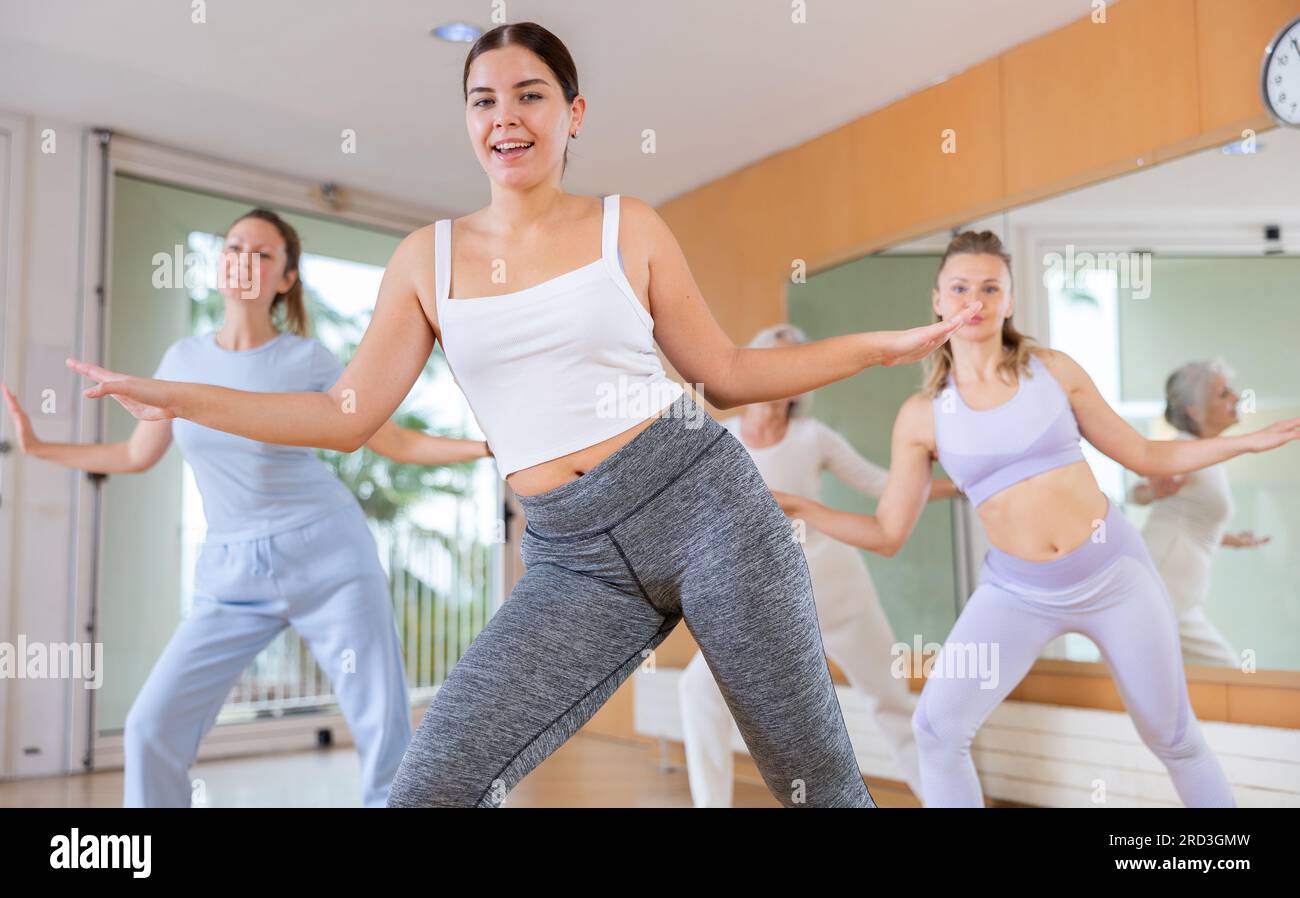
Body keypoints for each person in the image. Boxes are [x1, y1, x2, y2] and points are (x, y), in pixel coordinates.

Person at [65, 23, 980, 808]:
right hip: (574, 555)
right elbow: (345, 415)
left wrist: (876, 348)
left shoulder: (630, 226)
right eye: (482, 100)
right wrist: (174, 395)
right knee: (431, 785)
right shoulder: (430, 259)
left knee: (814, 783)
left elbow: (730, 373)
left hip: (706, 506)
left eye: (530, 95)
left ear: (572, 114)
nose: (505, 115)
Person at [773, 231, 1299, 807]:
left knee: (1173, 736)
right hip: (1017, 594)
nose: (975, 300)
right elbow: (888, 533)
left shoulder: (1053, 372)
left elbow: (1145, 456)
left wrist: (1242, 445)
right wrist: (802, 507)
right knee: (936, 730)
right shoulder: (923, 416)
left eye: (990, 286)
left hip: (1115, 577)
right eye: (961, 287)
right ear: (938, 300)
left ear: (1010, 299)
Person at [3, 207, 490, 807]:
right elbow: (133, 454)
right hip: (231, 575)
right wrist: (39, 447)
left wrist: (488, 446)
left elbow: (392, 440)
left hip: (330, 560)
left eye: (263, 255)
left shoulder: (306, 361)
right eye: (234, 248)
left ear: (286, 278)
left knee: (383, 735)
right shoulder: (182, 361)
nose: (244, 262)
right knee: (151, 727)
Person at [679, 323, 959, 806]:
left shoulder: (813, 437)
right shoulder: (717, 440)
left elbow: (884, 486)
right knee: (697, 688)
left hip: (836, 586)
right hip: (766, 596)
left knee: (890, 702)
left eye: (793, 364)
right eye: (772, 361)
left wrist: (967, 482)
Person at [1127, 359, 1267, 668]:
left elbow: (1191, 521)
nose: (1236, 397)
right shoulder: (1185, 448)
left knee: (1138, 670)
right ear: (1194, 409)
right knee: (1230, 676)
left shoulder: (1207, 452)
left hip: (1176, 589)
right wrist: (1153, 491)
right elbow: (1136, 491)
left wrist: (1233, 540)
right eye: (1223, 393)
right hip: (1165, 586)